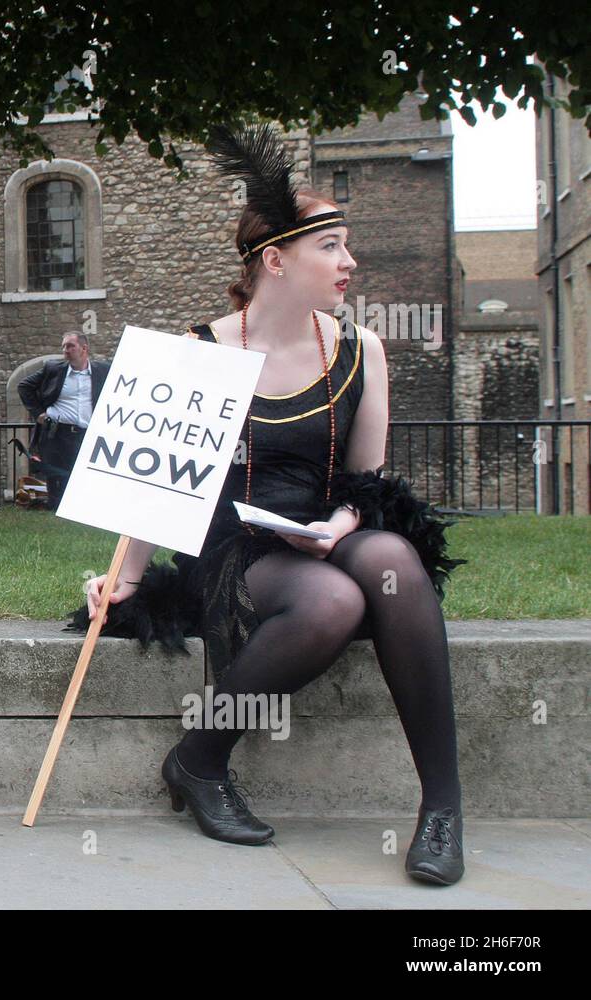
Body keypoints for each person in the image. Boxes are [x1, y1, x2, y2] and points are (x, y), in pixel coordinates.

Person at [73, 125, 466, 885]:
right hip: (235, 547)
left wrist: (340, 524)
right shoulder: (198, 352)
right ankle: (200, 758)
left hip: (326, 525)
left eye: (347, 247)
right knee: (330, 605)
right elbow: (158, 480)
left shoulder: (361, 350)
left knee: (389, 559)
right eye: (331, 248)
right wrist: (123, 578)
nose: (349, 262)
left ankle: (443, 809)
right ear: (275, 261)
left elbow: (368, 480)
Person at [17, 332, 111, 509]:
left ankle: (83, 509)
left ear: (84, 348)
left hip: (86, 432)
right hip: (57, 432)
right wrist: (38, 413)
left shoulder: (103, 370)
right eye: (64, 346)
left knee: (84, 473)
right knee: (55, 475)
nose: (65, 350)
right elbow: (24, 386)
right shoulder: (53, 369)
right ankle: (56, 508)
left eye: (70, 346)